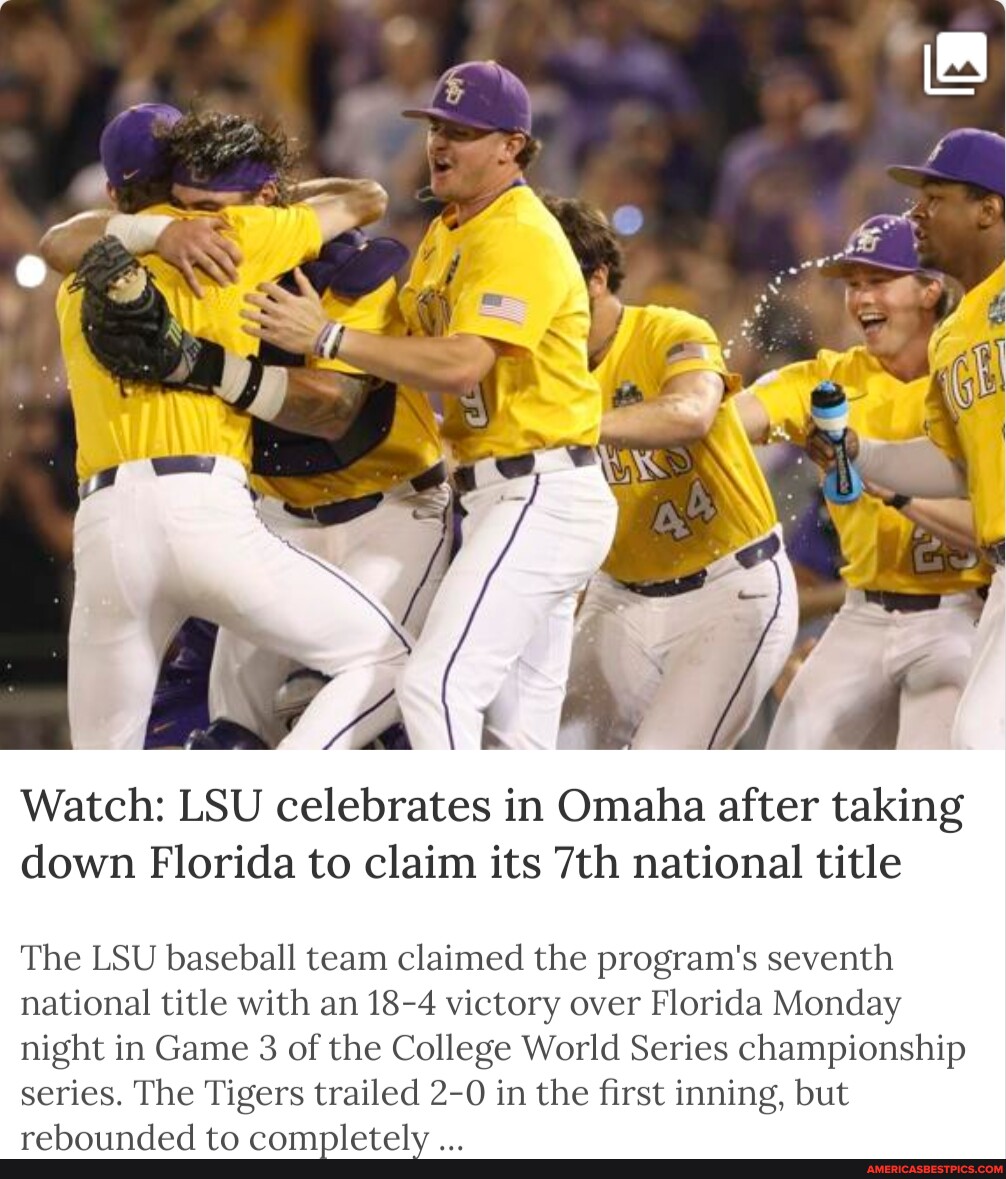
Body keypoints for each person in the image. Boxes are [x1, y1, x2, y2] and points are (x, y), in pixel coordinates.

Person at [243, 61, 618, 750]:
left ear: (512, 145)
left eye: (465, 132)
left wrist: (326, 335)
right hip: (497, 493)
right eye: (437, 127)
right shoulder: (451, 229)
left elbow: (461, 362)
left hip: (544, 493)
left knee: (434, 686)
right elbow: (409, 352)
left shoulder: (519, 234)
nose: (441, 143)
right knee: (516, 741)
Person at [42, 105, 412, 749]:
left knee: (99, 768)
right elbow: (364, 199)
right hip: (204, 511)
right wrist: (261, 200)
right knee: (391, 659)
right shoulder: (235, 233)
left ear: (111, 192)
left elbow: (58, 240)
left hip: (103, 529)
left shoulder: (76, 275)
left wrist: (148, 231)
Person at [539, 196, 796, 750]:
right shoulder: (539, 368)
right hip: (620, 599)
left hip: (730, 588)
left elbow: (692, 414)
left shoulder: (668, 329)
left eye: (544, 276)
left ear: (596, 279)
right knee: (550, 754)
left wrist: (572, 422)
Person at [735, 214, 989, 749]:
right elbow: (736, 418)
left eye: (878, 280)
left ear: (929, 290)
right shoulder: (830, 380)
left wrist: (891, 487)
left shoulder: (970, 377)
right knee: (789, 761)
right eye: (853, 283)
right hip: (864, 614)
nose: (860, 297)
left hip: (964, 614)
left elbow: (987, 522)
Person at [816, 130, 1004, 750]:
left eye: (935, 197)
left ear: (989, 208)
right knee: (978, 740)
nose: (915, 213)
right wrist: (861, 454)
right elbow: (953, 466)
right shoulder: (952, 336)